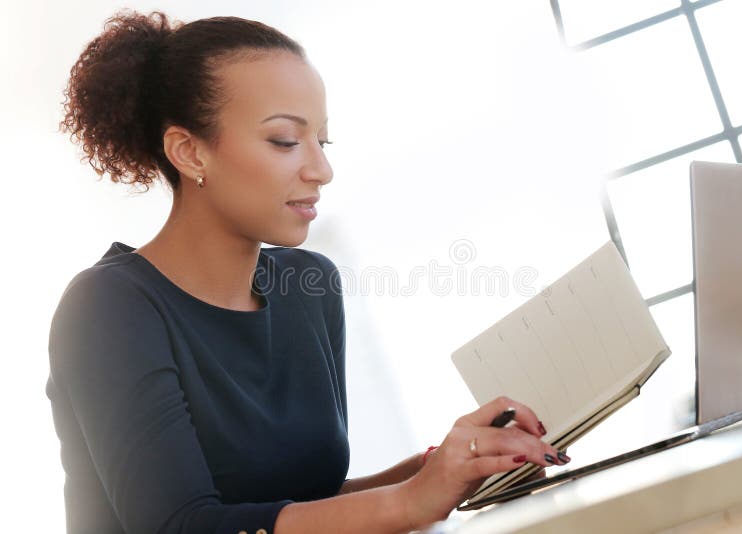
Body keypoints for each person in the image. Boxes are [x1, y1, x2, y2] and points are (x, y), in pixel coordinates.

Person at [46, 9, 570, 534]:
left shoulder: (310, 286)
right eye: (284, 140)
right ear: (189, 152)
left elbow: (311, 505)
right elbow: (184, 526)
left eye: (324, 141)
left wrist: (452, 467)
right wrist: (412, 500)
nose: (322, 170)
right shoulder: (109, 307)